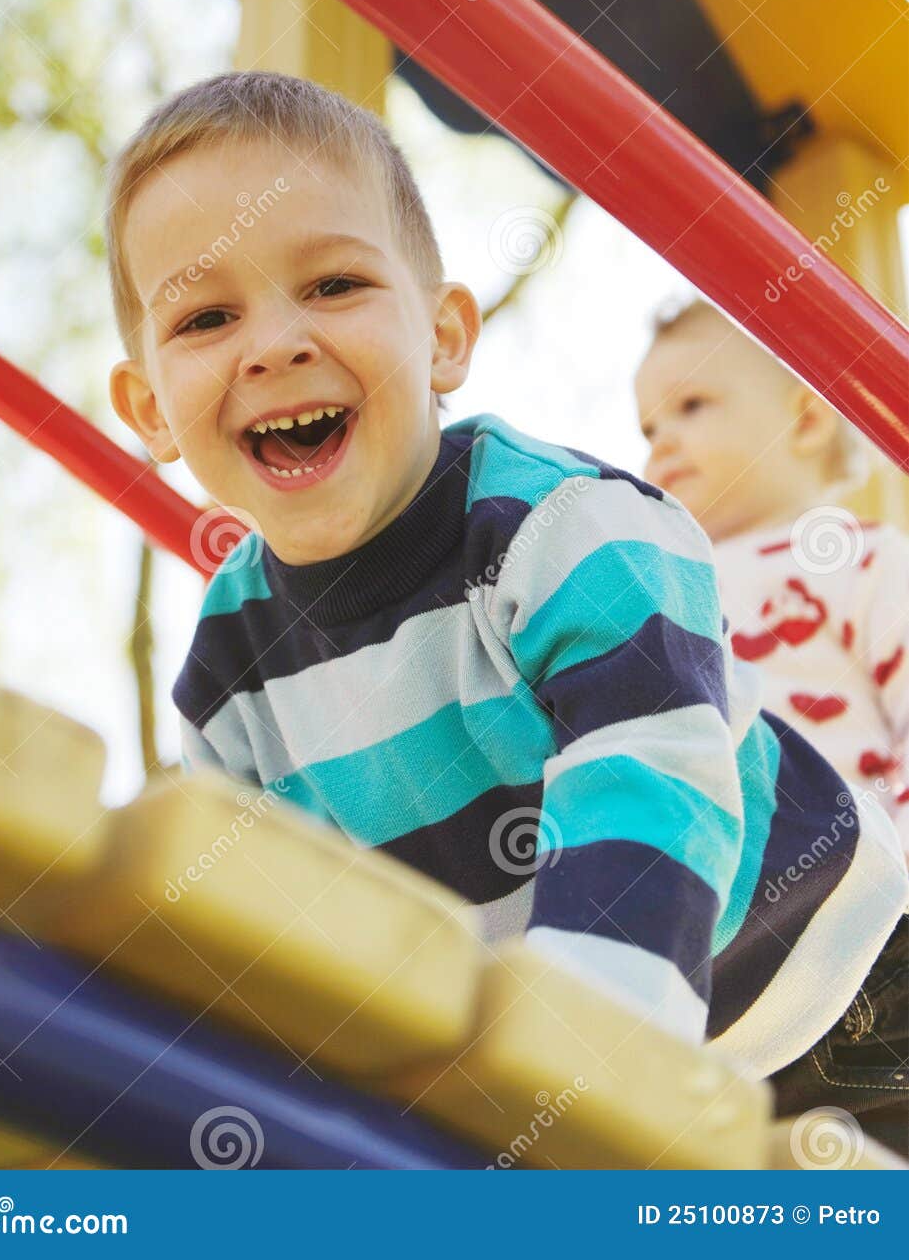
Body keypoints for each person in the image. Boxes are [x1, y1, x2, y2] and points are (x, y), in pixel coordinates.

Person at [105, 71, 906, 1134]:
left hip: (830, 978)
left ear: (443, 337)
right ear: (150, 406)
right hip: (605, 1049)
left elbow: (649, 777)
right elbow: (279, 925)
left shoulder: (566, 530)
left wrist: (582, 1062)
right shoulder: (230, 674)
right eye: (207, 315)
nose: (276, 343)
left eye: (336, 285)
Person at [636, 295, 908, 1151]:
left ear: (802, 416)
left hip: (869, 922)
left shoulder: (860, 556)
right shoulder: (655, 589)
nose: (658, 444)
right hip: (721, 956)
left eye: (691, 406)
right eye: (645, 426)